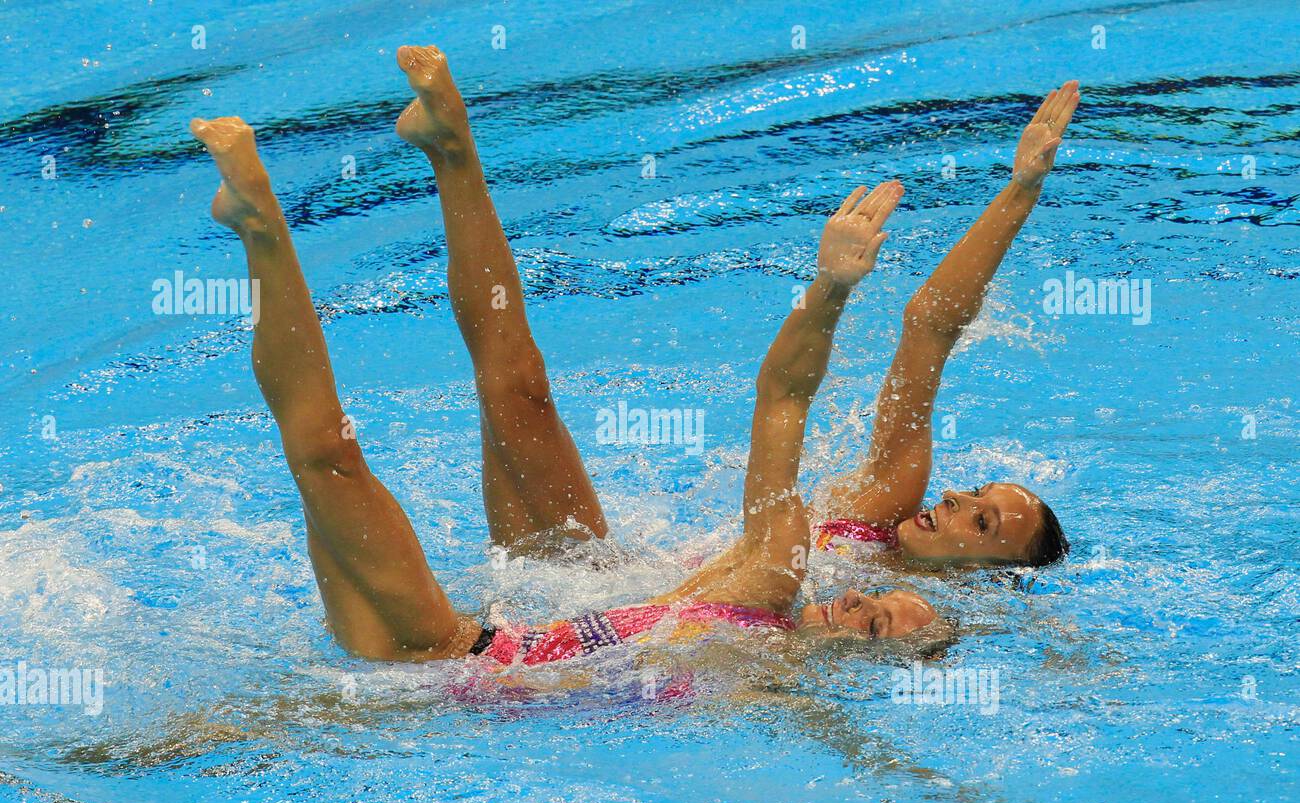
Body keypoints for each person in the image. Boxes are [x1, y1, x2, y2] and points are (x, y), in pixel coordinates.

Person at [188, 43, 934, 664]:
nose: (855, 599)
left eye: (873, 623)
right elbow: (783, 398)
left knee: (328, 457)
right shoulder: (768, 578)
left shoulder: (770, 694)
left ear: (861, 671)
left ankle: (260, 227)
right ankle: (444, 146)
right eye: (875, 599)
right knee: (513, 388)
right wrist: (831, 288)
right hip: (473, 642)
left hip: (446, 674)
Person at [809, 81, 1080, 573]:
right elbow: (928, 326)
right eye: (977, 493)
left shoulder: (903, 625)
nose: (954, 496)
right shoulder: (877, 511)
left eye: (982, 524)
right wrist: (1022, 188)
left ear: (982, 572)